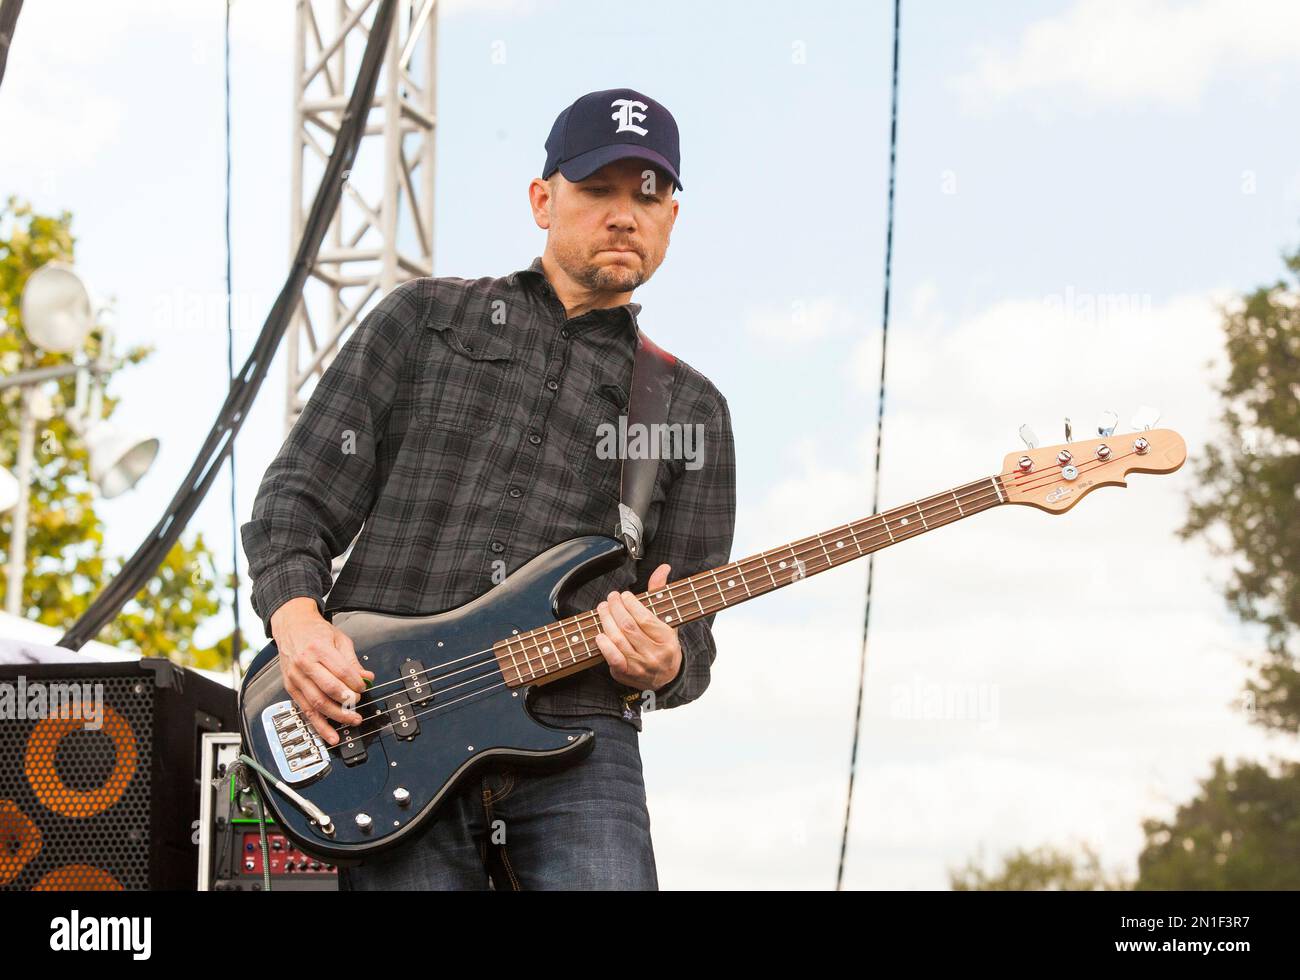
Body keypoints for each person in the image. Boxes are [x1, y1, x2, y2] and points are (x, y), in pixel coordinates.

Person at [241, 87, 736, 890]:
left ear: (672, 218)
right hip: (386, 716)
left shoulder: (689, 406)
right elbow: (296, 496)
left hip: (581, 740)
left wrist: (667, 661)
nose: (624, 215)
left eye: (649, 195)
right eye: (598, 190)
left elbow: (695, 632)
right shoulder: (424, 319)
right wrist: (298, 624)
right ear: (543, 200)